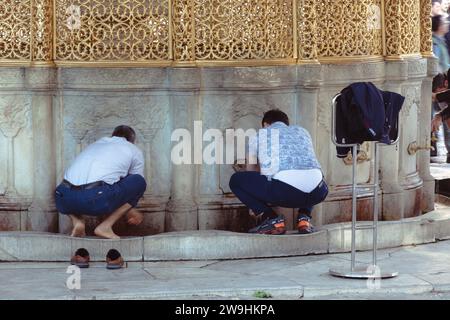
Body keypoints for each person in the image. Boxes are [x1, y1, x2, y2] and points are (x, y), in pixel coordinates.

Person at [229, 109, 328, 235]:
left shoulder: (259, 135)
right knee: (310, 171)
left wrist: (255, 204)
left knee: (236, 180)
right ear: (286, 123)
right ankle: (304, 218)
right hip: (319, 192)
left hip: (285, 192)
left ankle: (271, 219)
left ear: (266, 124)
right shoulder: (303, 132)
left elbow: (251, 169)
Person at [55, 125, 147, 239]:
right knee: (139, 181)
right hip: (95, 200)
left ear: (113, 135)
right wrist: (130, 209)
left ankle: (77, 221)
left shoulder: (96, 144)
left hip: (63, 200)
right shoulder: (133, 149)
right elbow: (132, 182)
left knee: (62, 189)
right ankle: (105, 227)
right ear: (131, 140)